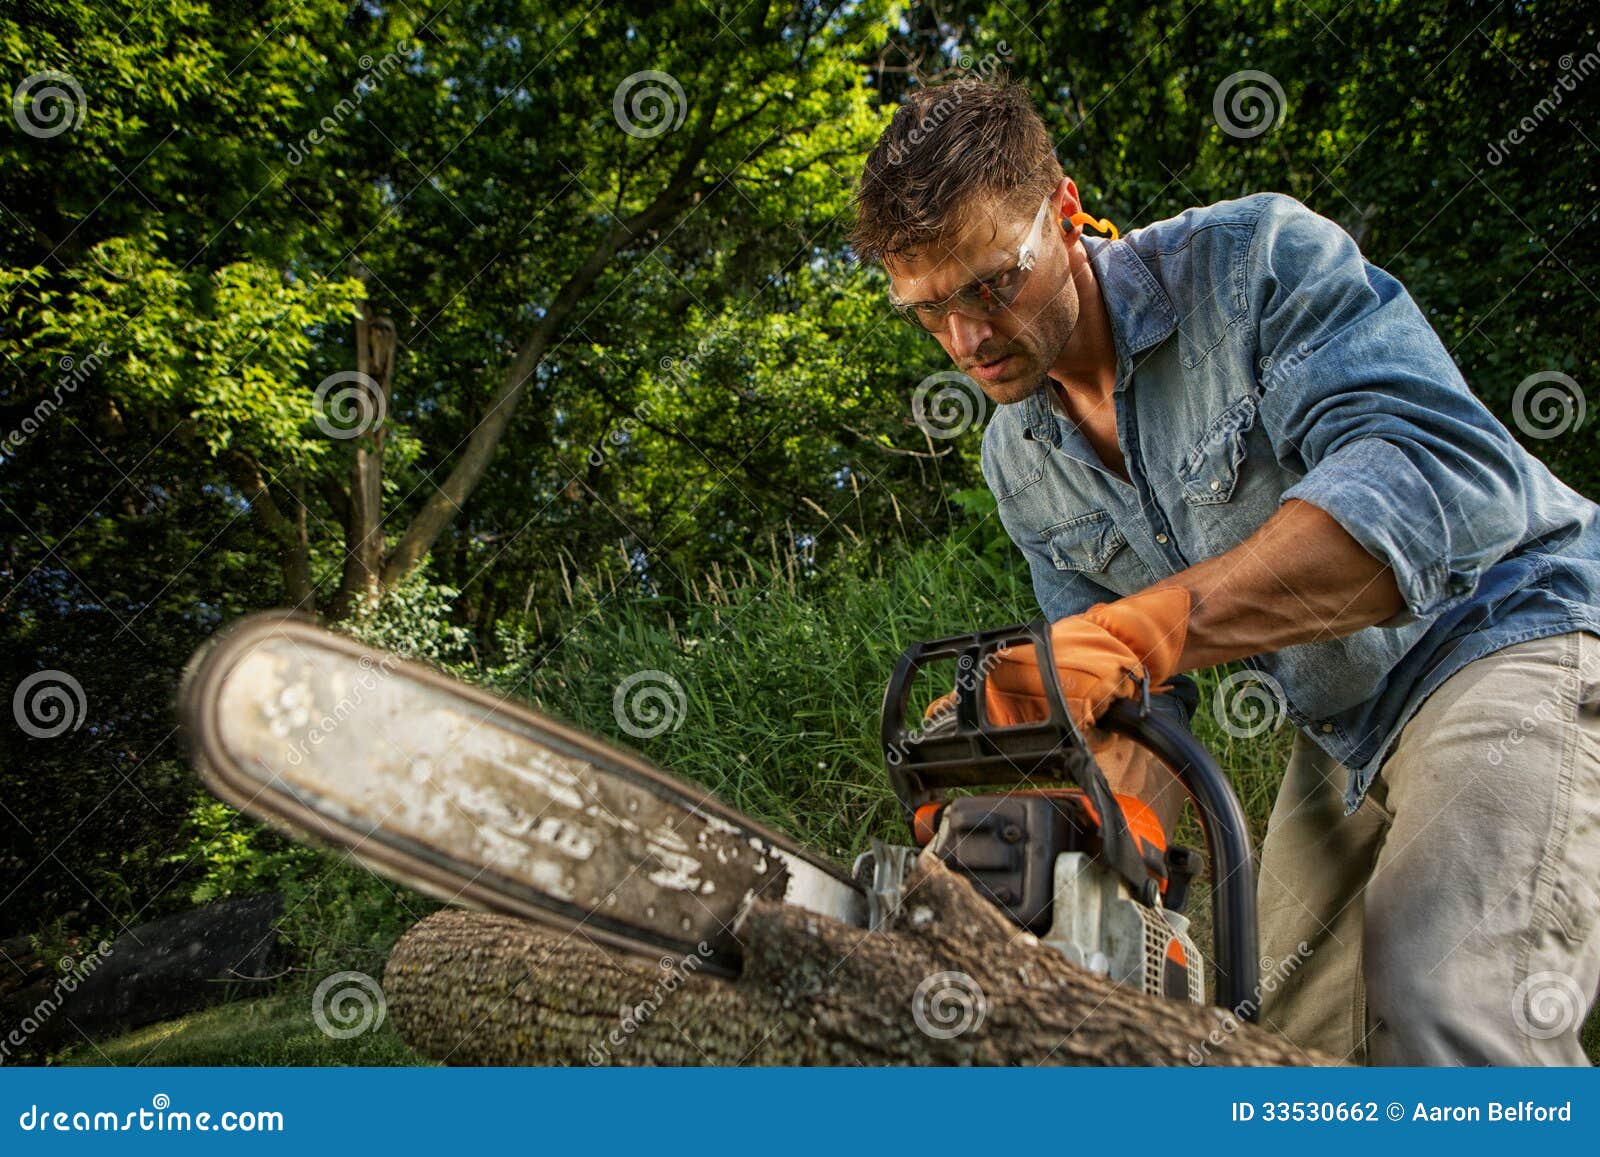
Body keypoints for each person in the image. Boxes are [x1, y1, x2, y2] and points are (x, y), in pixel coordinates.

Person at [847, 77, 1600, 1065]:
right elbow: (1135, 714)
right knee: (1268, 1038)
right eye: (931, 310)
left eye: (994, 283)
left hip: (1512, 629)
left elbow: (1418, 488)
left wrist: (1139, 629)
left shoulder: (1253, 262)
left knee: (1445, 997)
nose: (968, 338)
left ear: (1065, 214)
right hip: (1345, 732)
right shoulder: (1015, 458)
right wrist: (1050, 795)